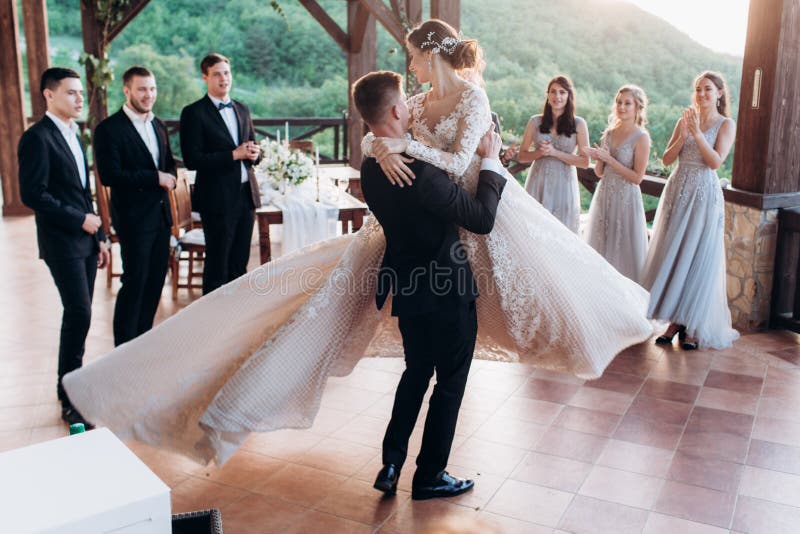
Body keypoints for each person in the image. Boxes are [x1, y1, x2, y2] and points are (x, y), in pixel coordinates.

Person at [63, 20, 653, 466]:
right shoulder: (416, 103)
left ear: (433, 52)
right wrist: (379, 147)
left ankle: (390, 457)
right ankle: (239, 405)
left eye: (415, 57)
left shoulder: (474, 100)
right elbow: (385, 131)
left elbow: (447, 157)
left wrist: (404, 150)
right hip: (439, 227)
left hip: (463, 219)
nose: (413, 68)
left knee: (541, 304)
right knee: (318, 310)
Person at [355, 71, 506, 500]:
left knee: (416, 373)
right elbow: (482, 219)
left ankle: (390, 463)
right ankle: (430, 475)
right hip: (449, 288)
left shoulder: (370, 167)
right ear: (399, 110)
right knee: (451, 381)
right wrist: (491, 163)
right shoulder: (423, 173)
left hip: (408, 287)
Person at [18, 67, 111, 429]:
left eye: (79, 93)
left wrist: (99, 236)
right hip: (61, 241)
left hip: (85, 239)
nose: (79, 99)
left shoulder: (75, 135)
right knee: (79, 313)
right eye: (71, 93)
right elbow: (33, 194)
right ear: (48, 95)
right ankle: (69, 396)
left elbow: (81, 193)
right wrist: (79, 221)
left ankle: (73, 385)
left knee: (80, 315)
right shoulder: (37, 138)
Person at [640, 71, 739, 350]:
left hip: (703, 193)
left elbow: (715, 161)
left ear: (719, 93)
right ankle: (674, 319)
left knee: (696, 254)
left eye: (708, 89)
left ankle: (691, 324)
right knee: (674, 251)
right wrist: (684, 135)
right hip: (678, 189)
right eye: (698, 89)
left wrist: (697, 133)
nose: (702, 94)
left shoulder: (725, 124)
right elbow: (668, 158)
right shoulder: (684, 118)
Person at [94, 66, 177, 346]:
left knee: (155, 282)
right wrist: (156, 178)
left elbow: (169, 164)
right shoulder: (109, 129)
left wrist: (171, 177)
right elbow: (110, 174)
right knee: (135, 282)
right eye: (142, 89)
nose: (148, 95)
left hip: (161, 217)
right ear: (126, 90)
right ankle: (123, 349)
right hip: (133, 218)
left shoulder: (158, 124)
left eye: (152, 89)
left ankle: (142, 343)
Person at [180, 53, 261, 294]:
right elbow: (192, 159)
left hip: (246, 197)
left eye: (226, 73)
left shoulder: (242, 108)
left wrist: (256, 153)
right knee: (217, 265)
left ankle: (236, 321)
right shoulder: (193, 113)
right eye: (217, 74)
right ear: (205, 77)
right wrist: (233, 155)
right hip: (216, 199)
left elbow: (253, 146)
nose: (223, 78)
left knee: (239, 263)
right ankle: (213, 323)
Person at [583, 84, 650, 282]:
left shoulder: (642, 137)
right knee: (601, 242)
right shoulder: (610, 133)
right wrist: (599, 157)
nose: (621, 107)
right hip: (605, 195)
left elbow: (637, 178)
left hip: (626, 198)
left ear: (637, 107)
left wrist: (610, 159)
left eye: (627, 103)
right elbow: (599, 172)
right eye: (619, 102)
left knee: (622, 248)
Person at [514, 75, 590, 233]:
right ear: (547, 95)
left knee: (561, 231)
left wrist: (554, 152)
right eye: (553, 92)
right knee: (534, 228)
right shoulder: (535, 122)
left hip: (564, 184)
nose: (557, 96)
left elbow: (584, 162)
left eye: (562, 92)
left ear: (569, 96)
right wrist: (540, 152)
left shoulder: (579, 124)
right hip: (539, 181)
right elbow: (522, 156)